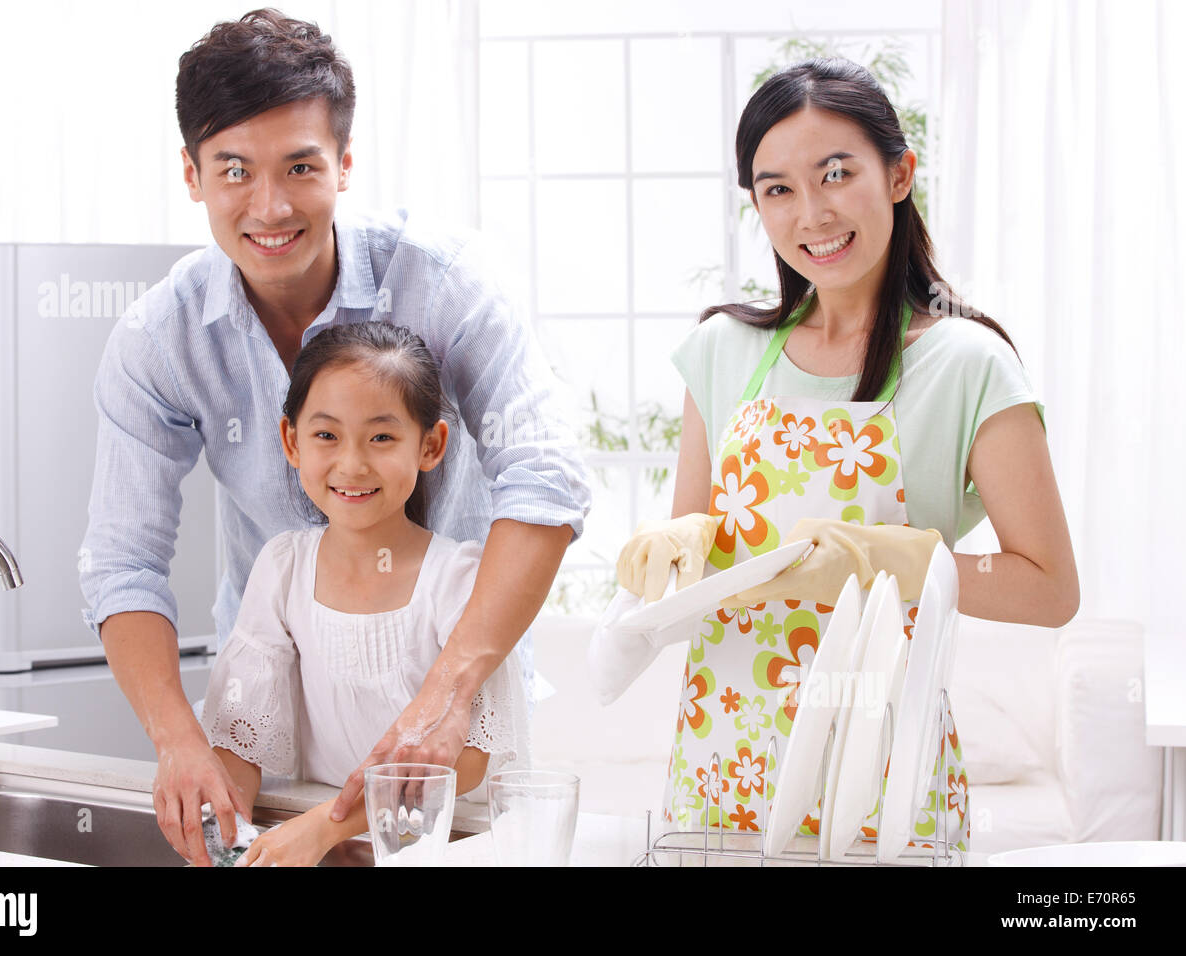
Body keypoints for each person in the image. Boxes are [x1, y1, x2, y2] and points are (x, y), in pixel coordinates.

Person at [79, 9, 589, 866]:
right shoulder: (156, 339)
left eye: (301, 167)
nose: (269, 206)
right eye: (234, 169)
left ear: (344, 166)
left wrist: (445, 696)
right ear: (192, 174)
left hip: (451, 737)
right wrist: (179, 740)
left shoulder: (446, 280)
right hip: (280, 759)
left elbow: (545, 480)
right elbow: (123, 562)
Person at [615, 58, 1079, 851]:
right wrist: (669, 556)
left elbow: (1050, 589)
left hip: (885, 774)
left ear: (899, 174)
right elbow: (688, 559)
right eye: (778, 189)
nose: (813, 213)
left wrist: (895, 563)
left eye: (837, 174)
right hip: (722, 764)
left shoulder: (969, 363)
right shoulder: (723, 351)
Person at [199, 321, 528, 867]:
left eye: (381, 437)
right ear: (291, 441)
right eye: (326, 435)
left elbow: (467, 759)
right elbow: (241, 737)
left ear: (430, 445)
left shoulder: (460, 580)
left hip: (441, 853)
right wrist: (223, 834)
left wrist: (325, 828)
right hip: (324, 852)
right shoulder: (282, 569)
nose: (352, 464)